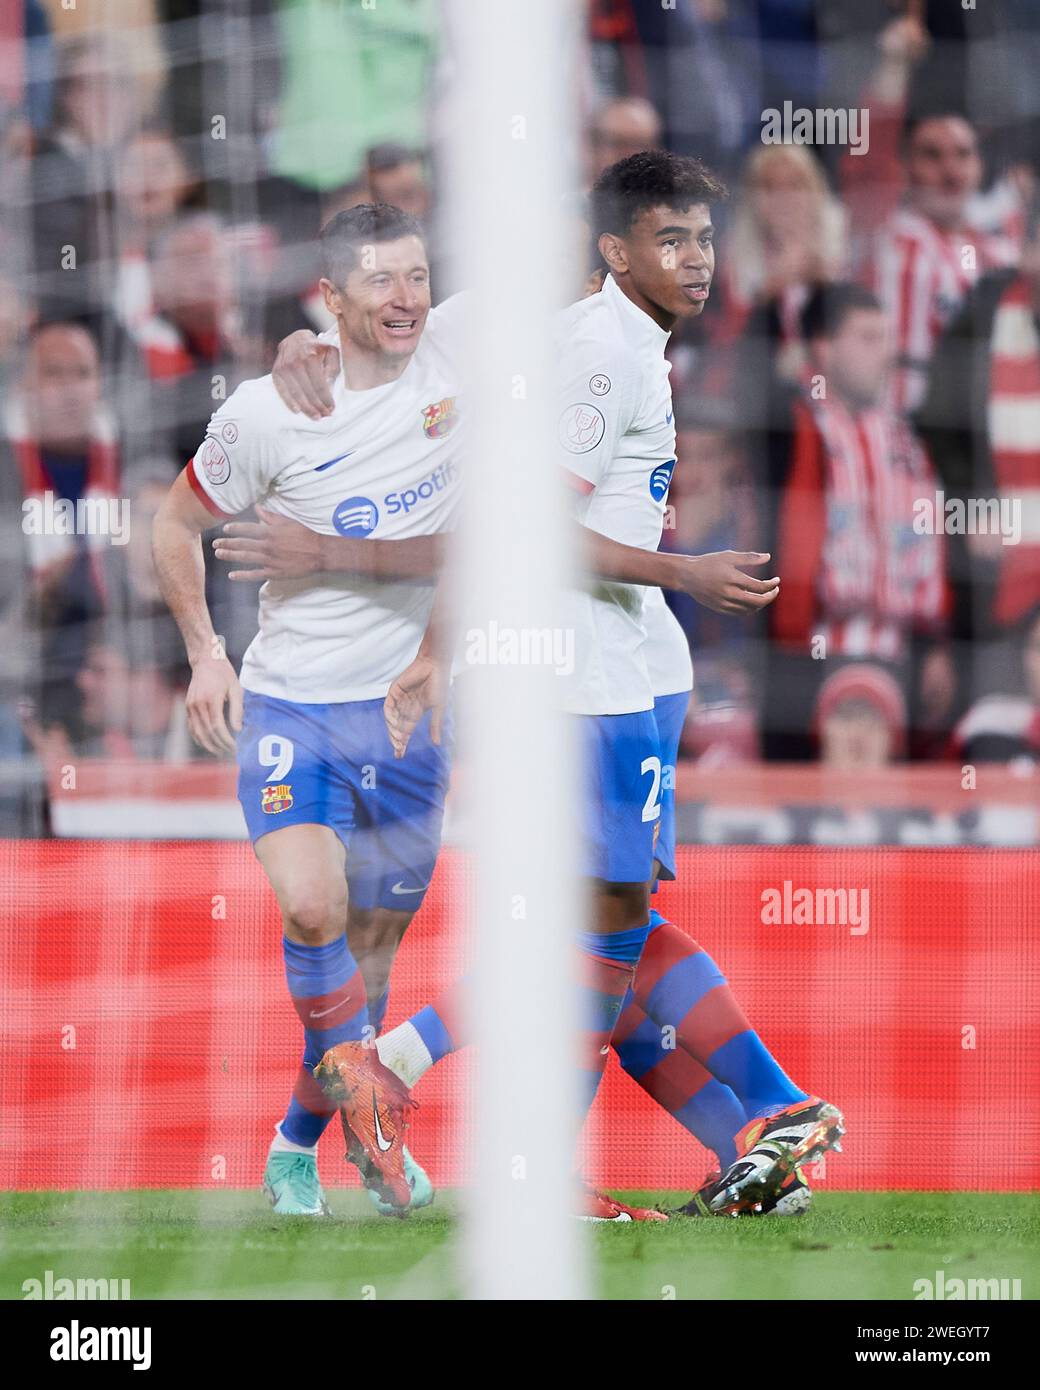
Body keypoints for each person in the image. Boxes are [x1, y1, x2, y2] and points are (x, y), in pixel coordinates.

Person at [265, 154, 844, 1219]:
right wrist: (684, 569)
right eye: (670, 240)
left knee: (612, 930)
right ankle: (707, 1121)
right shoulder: (596, 353)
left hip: (617, 672)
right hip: (584, 682)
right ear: (614, 251)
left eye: (704, 239)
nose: (697, 259)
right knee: (603, 929)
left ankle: (754, 1126)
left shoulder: (586, 333)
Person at [153, 203, 466, 1216]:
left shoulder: (460, 376)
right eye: (378, 280)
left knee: (368, 968)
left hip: (408, 717)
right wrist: (206, 654)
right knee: (312, 908)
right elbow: (174, 521)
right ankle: (375, 1139)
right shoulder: (264, 409)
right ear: (329, 298)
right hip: (290, 705)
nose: (404, 297)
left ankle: (296, 1140)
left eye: (416, 276)